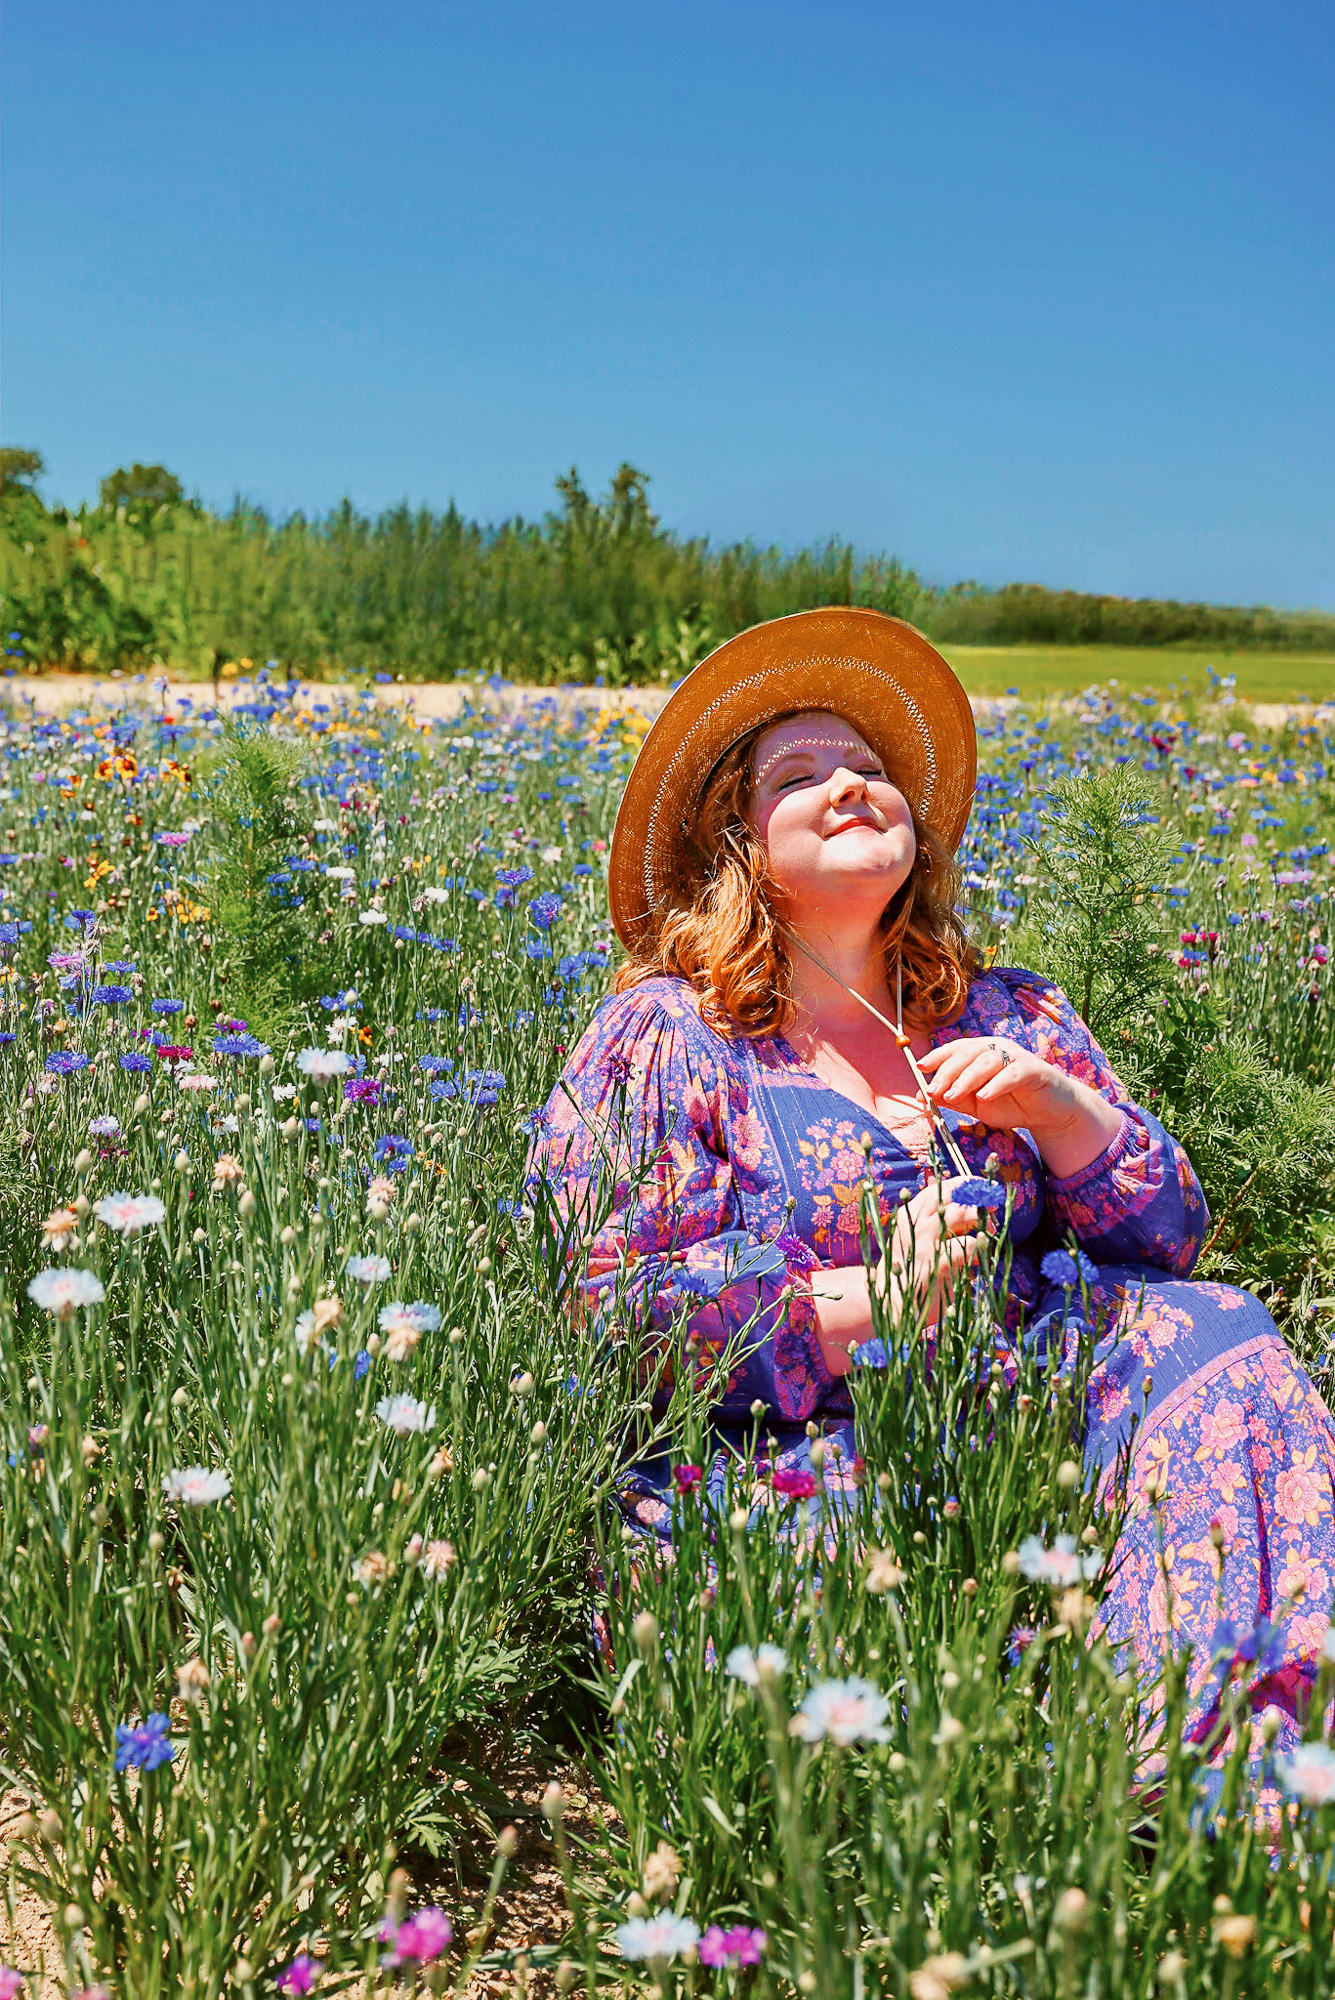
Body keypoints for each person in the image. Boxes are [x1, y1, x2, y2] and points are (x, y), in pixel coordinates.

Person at [531, 606, 1335, 1765]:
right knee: (823, 1620)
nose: (851, 785)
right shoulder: (667, 1035)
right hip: (793, 1459)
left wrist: (1065, 1114)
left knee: (1220, 1339)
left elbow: (1166, 1245)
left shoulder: (1008, 1012)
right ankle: (1038, 1762)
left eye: (869, 769)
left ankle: (1198, 1758)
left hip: (1025, 1413)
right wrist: (870, 1304)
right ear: (738, 847)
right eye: (800, 774)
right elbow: (608, 1305)